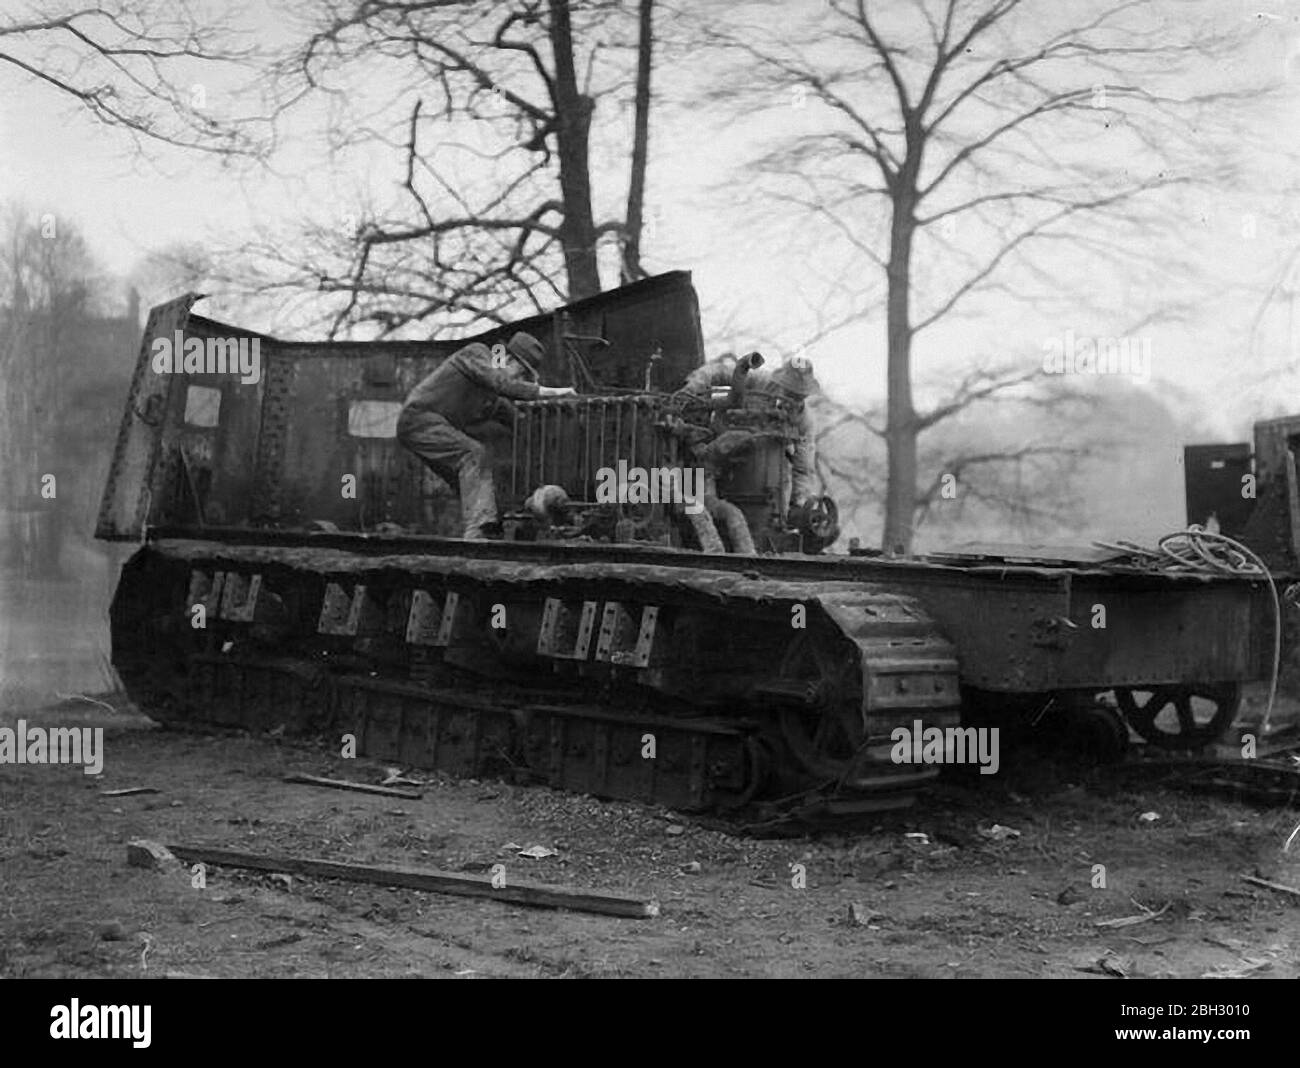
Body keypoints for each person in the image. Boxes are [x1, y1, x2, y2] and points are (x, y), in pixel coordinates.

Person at [397, 331, 575, 538]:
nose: (519, 379)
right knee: (474, 455)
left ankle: (484, 529)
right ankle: (478, 532)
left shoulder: (491, 399)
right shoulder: (475, 354)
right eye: (520, 372)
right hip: (419, 419)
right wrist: (552, 392)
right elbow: (501, 383)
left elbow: (518, 419)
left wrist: (555, 412)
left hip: (429, 427)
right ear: (507, 359)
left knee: (469, 478)